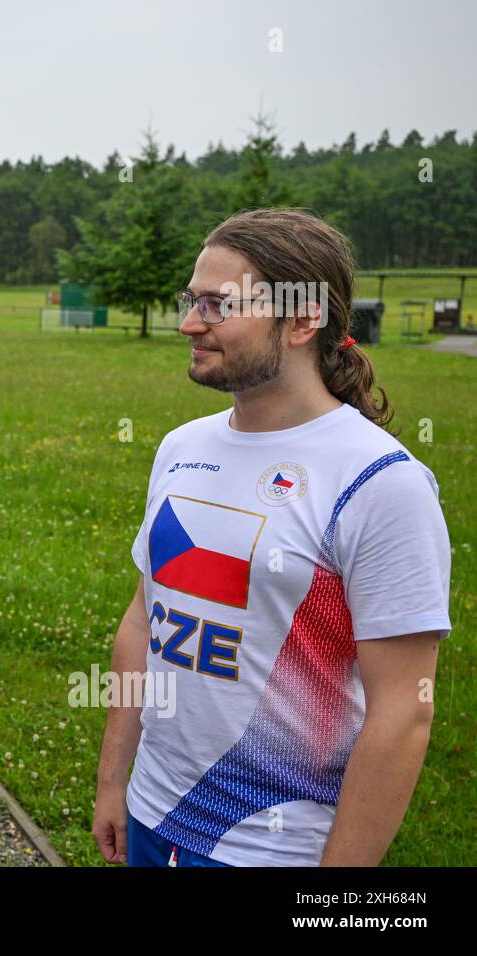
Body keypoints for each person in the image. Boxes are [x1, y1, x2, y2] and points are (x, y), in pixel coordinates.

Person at [91, 208, 451, 867]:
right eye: (189, 299)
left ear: (303, 319)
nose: (188, 322)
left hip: (270, 847)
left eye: (215, 304)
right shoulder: (181, 448)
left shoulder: (381, 482)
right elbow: (144, 620)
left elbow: (403, 713)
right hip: (151, 817)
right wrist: (114, 780)